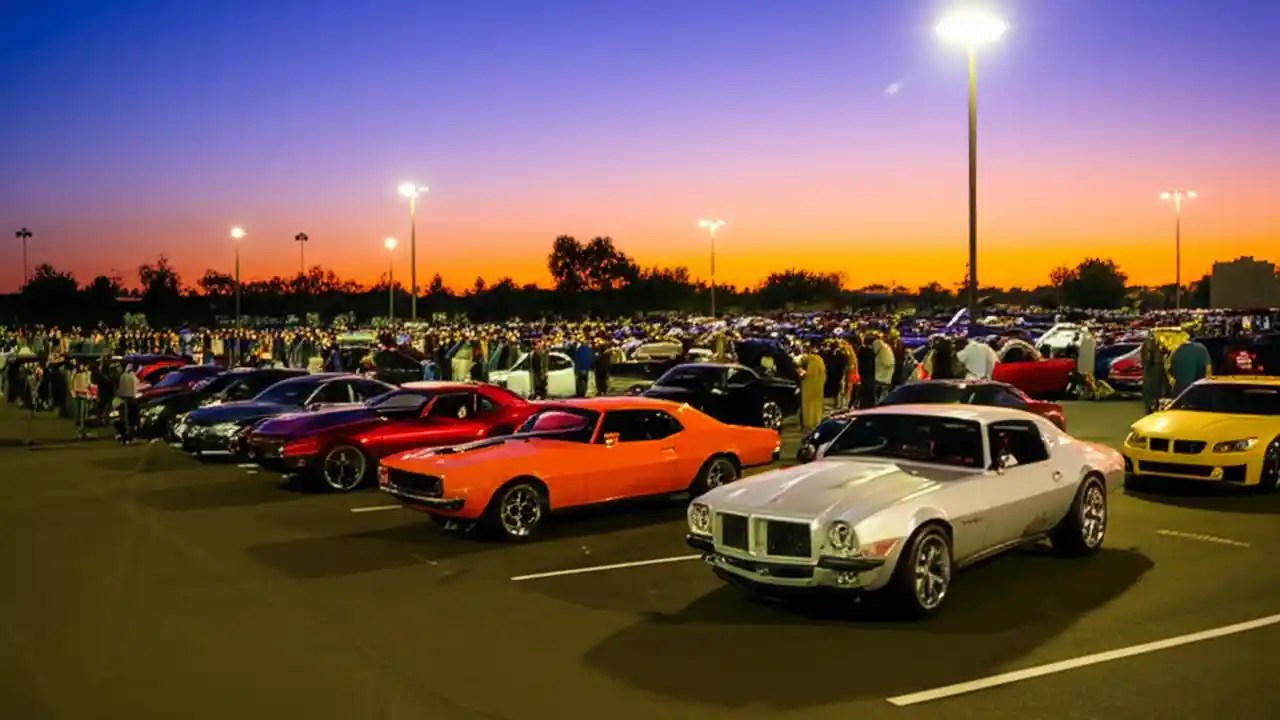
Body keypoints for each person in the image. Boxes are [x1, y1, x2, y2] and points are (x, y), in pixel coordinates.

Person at [798, 345, 827, 433]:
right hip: (818, 387)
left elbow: (805, 374)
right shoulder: (819, 360)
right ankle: (816, 422)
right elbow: (823, 373)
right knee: (816, 405)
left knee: (807, 406)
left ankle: (808, 424)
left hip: (808, 387)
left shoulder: (807, 360)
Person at [1139, 334, 1166, 414]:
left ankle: (1151, 409)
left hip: (1153, 364)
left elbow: (1146, 354)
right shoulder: (1156, 339)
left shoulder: (1151, 339)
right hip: (1155, 364)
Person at [117, 364, 139, 444]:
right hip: (131, 398)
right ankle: (130, 436)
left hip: (123, 398)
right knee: (131, 418)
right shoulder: (133, 377)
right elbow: (134, 388)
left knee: (124, 418)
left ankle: (125, 436)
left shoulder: (122, 376)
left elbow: (120, 388)